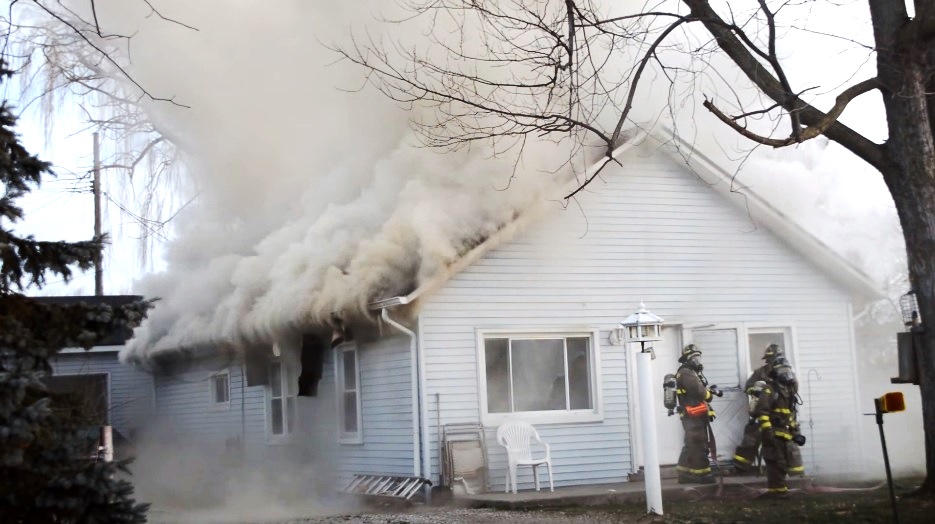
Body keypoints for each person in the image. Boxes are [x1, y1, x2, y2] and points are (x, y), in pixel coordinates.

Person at [754, 358, 807, 497]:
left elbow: (791, 415)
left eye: (788, 370)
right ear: (776, 373)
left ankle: (779, 490)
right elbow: (762, 412)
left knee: (785, 462)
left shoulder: (788, 391)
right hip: (774, 433)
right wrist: (767, 432)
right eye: (783, 371)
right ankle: (777, 491)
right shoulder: (770, 390)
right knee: (776, 463)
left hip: (785, 434)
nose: (786, 374)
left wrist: (796, 433)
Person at [732, 344, 784, 474]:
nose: (772, 361)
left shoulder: (786, 374)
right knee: (750, 438)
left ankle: (783, 470)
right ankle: (740, 468)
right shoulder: (760, 372)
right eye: (771, 358)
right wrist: (757, 389)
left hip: (779, 415)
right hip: (761, 412)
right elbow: (748, 387)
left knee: (781, 443)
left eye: (775, 358)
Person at [674, 344, 721, 484]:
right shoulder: (686, 372)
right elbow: (698, 392)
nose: (697, 361)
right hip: (692, 415)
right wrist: (709, 395)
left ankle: (684, 474)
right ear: (686, 359)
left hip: (695, 414)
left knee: (691, 443)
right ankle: (702, 474)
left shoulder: (692, 373)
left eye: (698, 357)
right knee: (699, 443)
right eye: (694, 358)